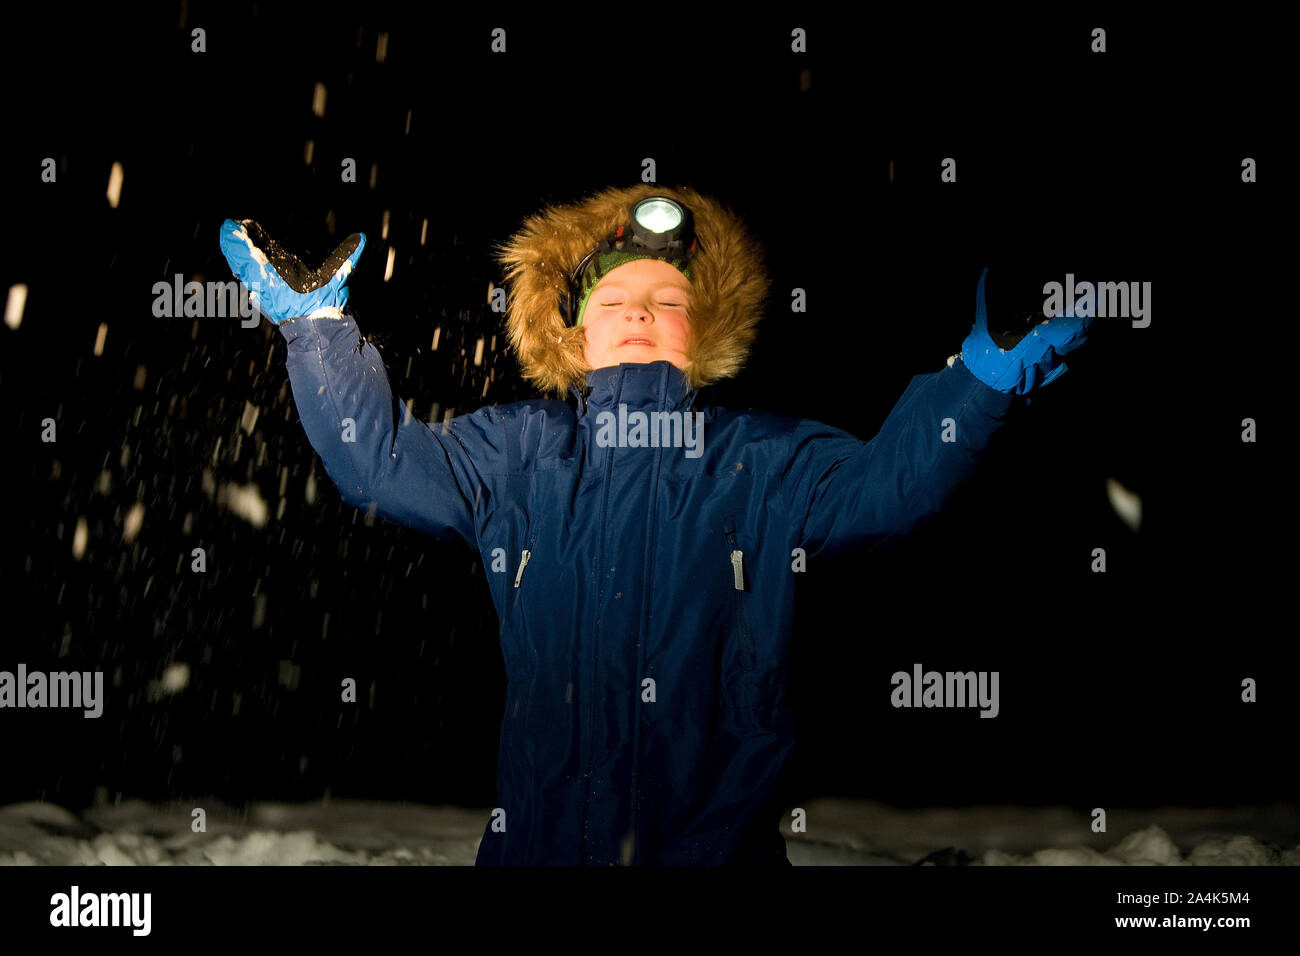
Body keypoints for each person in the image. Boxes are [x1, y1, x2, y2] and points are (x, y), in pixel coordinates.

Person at [219, 183, 1092, 865]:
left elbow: (888, 491)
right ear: (571, 334)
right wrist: (318, 331)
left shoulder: (759, 459)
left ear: (703, 333)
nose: (638, 311)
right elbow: (377, 464)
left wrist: (977, 383)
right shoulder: (516, 455)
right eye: (614, 298)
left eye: (667, 301)